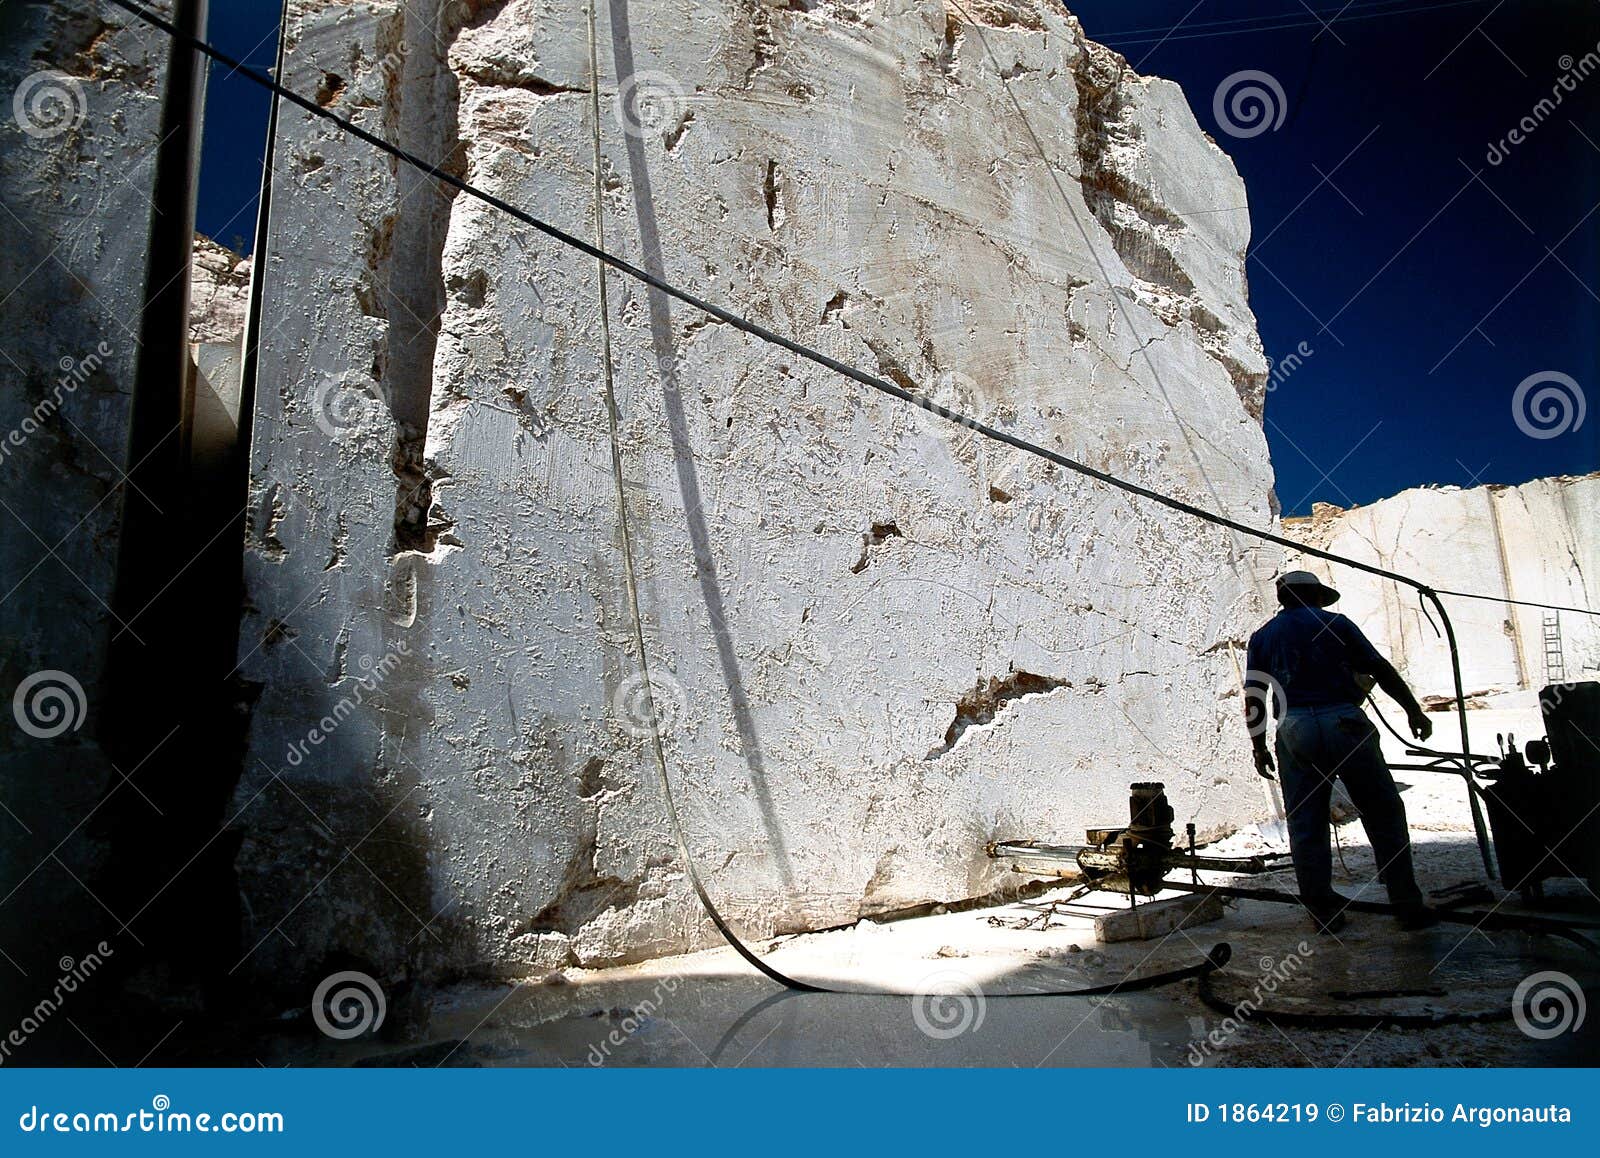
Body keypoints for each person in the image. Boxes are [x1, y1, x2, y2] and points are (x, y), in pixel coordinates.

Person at [1245, 570, 1440, 934]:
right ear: (1315, 595)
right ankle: (1406, 904)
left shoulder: (1263, 637)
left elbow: (1255, 695)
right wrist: (1414, 710)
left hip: (1294, 727)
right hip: (1344, 722)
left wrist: (1258, 746)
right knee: (1382, 811)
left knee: (1306, 822)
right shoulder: (1337, 623)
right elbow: (1379, 668)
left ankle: (1323, 912)